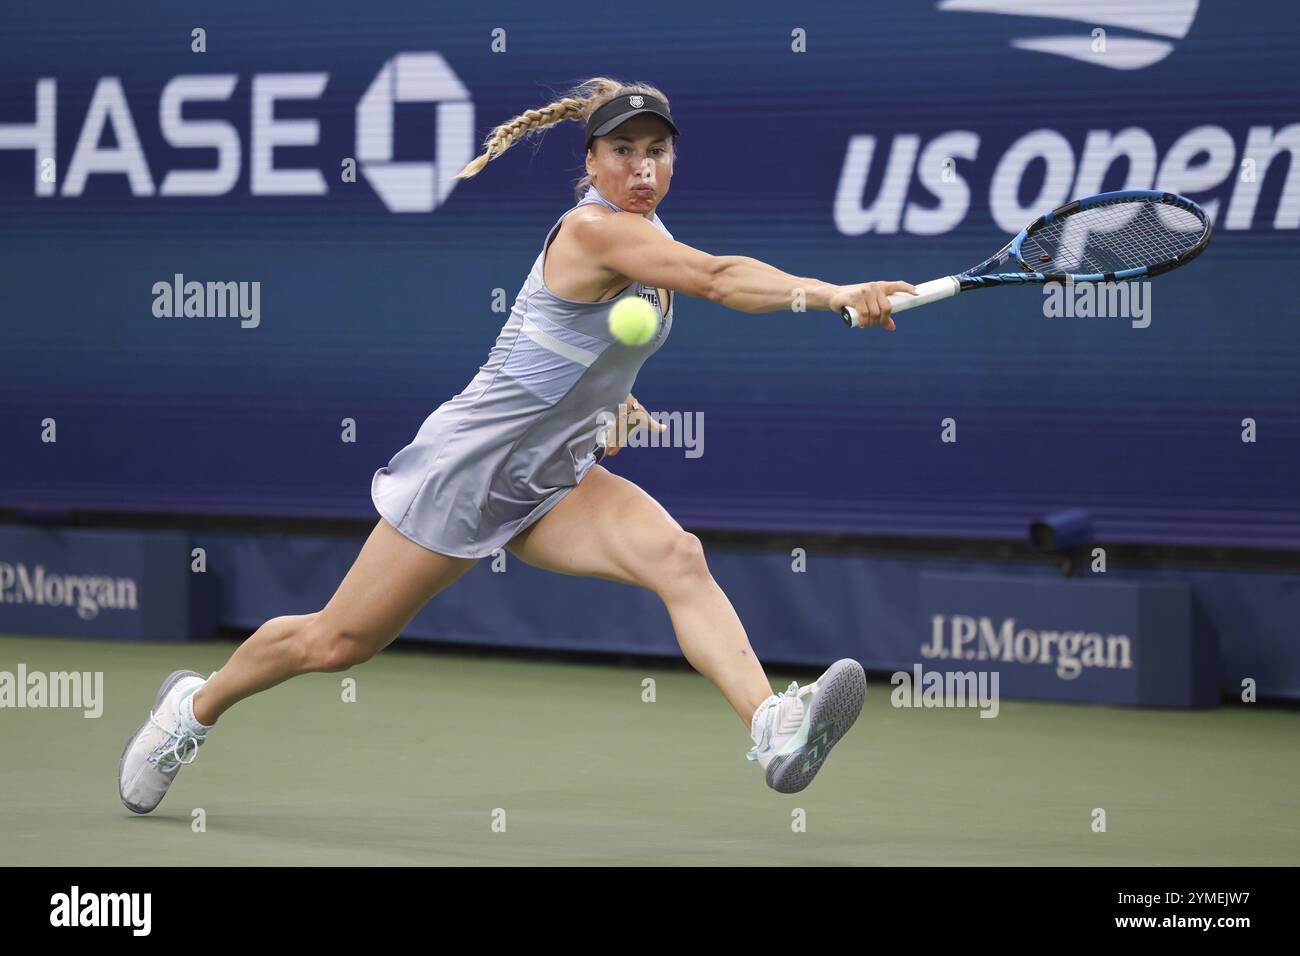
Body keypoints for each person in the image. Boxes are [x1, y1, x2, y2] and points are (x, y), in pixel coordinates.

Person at [118, 77, 916, 813]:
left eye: (657, 151)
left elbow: (582, 346)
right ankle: (191, 709)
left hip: (556, 476)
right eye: (623, 152)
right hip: (467, 474)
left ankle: (772, 723)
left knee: (678, 557)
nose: (643, 168)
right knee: (337, 642)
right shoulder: (592, 231)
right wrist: (834, 293)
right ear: (592, 161)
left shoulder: (648, 232)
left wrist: (613, 401)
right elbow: (716, 275)